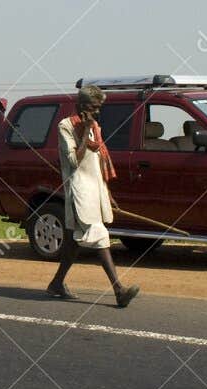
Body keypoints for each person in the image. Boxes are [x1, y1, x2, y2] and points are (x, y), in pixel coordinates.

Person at [47, 84, 140, 308]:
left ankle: (57, 283)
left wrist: (106, 192)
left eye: (99, 108)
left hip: (95, 187)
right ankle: (119, 290)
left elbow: (97, 161)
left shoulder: (94, 127)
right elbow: (74, 161)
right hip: (78, 189)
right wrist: (85, 129)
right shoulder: (66, 126)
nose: (96, 112)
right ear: (80, 105)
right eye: (92, 107)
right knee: (99, 235)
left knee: (73, 241)